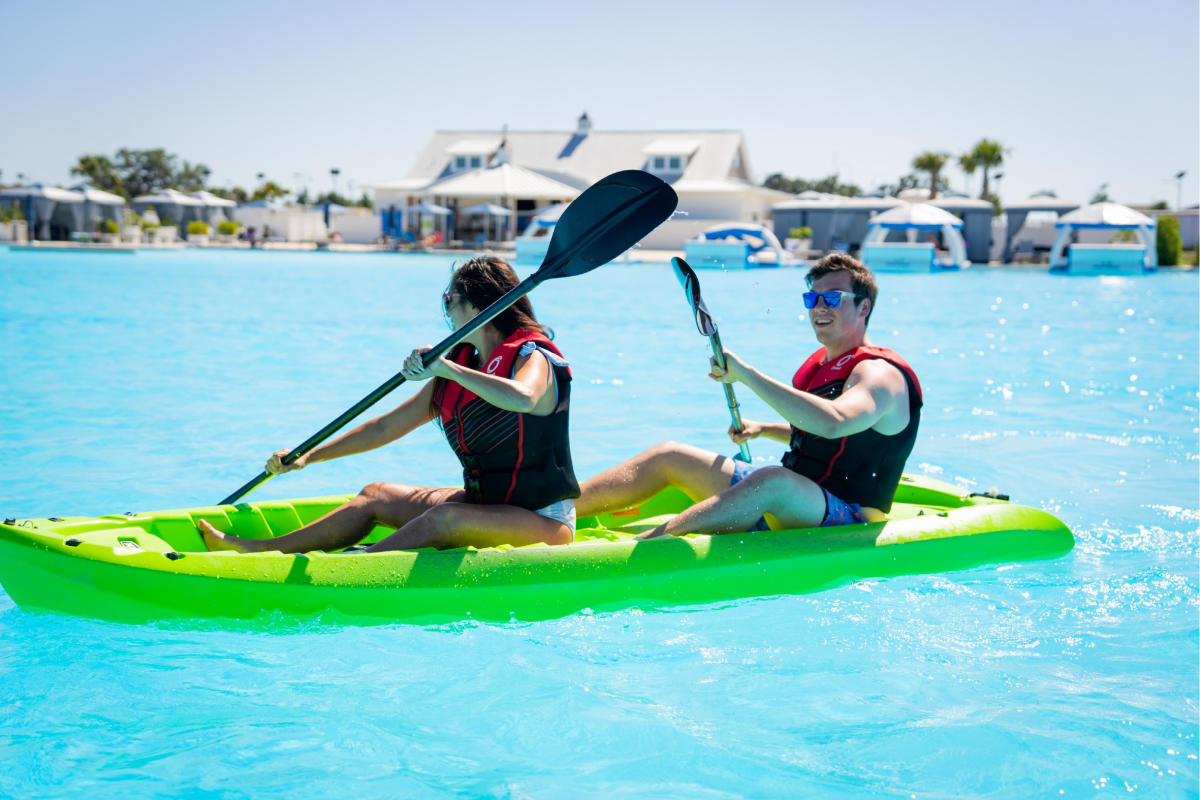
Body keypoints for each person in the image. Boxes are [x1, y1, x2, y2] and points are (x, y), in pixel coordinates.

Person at [198, 256, 580, 553]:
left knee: (444, 517)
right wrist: (308, 456)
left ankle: (354, 564)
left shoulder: (533, 356)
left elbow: (525, 396)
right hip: (486, 507)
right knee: (376, 494)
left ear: (476, 305)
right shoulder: (463, 362)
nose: (446, 311)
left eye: (449, 300)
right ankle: (261, 551)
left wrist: (447, 369)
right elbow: (384, 427)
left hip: (542, 522)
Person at [576, 253, 922, 539]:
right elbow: (826, 439)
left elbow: (835, 424)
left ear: (864, 308)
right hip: (795, 499)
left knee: (772, 480)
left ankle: (646, 546)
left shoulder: (879, 374)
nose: (818, 307)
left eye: (832, 298)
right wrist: (765, 428)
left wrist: (746, 374)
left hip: (851, 515)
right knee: (672, 455)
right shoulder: (820, 366)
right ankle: (557, 511)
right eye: (811, 298)